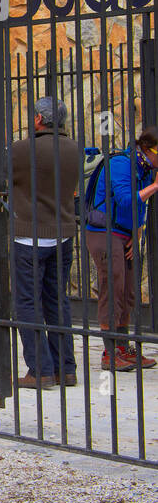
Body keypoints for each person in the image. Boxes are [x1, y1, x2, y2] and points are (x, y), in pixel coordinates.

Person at [0, 98, 81, 388]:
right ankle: (65, 368)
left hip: (30, 237)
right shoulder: (74, 149)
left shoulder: (24, 150)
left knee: (26, 303)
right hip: (63, 235)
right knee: (57, 302)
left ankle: (40, 370)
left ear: (38, 119)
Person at [84, 126, 158, 372]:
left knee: (127, 292)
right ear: (148, 149)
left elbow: (139, 207)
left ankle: (123, 348)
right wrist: (155, 186)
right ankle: (110, 352)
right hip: (103, 233)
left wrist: (137, 230)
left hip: (124, 235)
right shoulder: (120, 164)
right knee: (112, 287)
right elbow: (127, 199)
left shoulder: (146, 168)